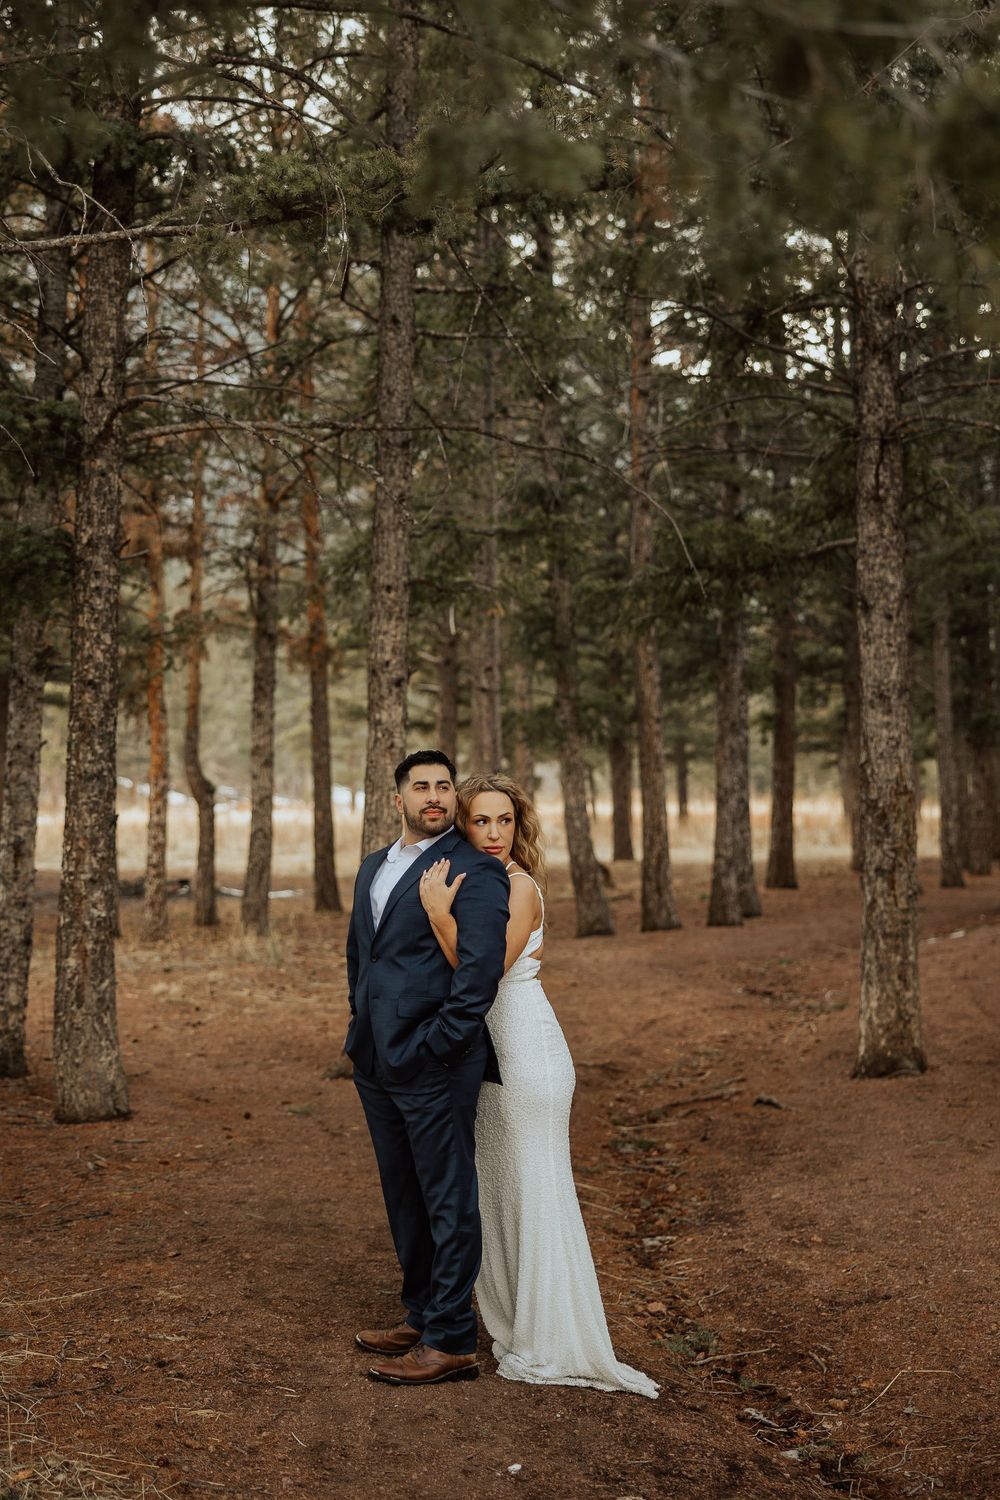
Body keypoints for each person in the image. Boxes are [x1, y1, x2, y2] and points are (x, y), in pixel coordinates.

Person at [418, 771, 659, 1398]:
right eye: (481, 820)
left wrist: (439, 915)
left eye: (505, 820)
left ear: (518, 825)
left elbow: (483, 974)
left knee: (536, 1192)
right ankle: (518, 1321)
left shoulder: (519, 886)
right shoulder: (476, 880)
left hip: (528, 1052)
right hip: (490, 1056)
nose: (494, 832)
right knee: (503, 1191)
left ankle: (553, 1337)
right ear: (462, 825)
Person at [345, 750, 509, 1386]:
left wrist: (438, 1044)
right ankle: (421, 1312)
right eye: (422, 786)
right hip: (376, 1059)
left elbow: (479, 975)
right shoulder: (373, 866)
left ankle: (451, 1338)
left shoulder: (476, 870)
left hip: (436, 1062)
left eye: (444, 785)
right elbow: (362, 956)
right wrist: (361, 1028)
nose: (434, 795)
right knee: (404, 1191)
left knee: (447, 1196)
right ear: (400, 799)